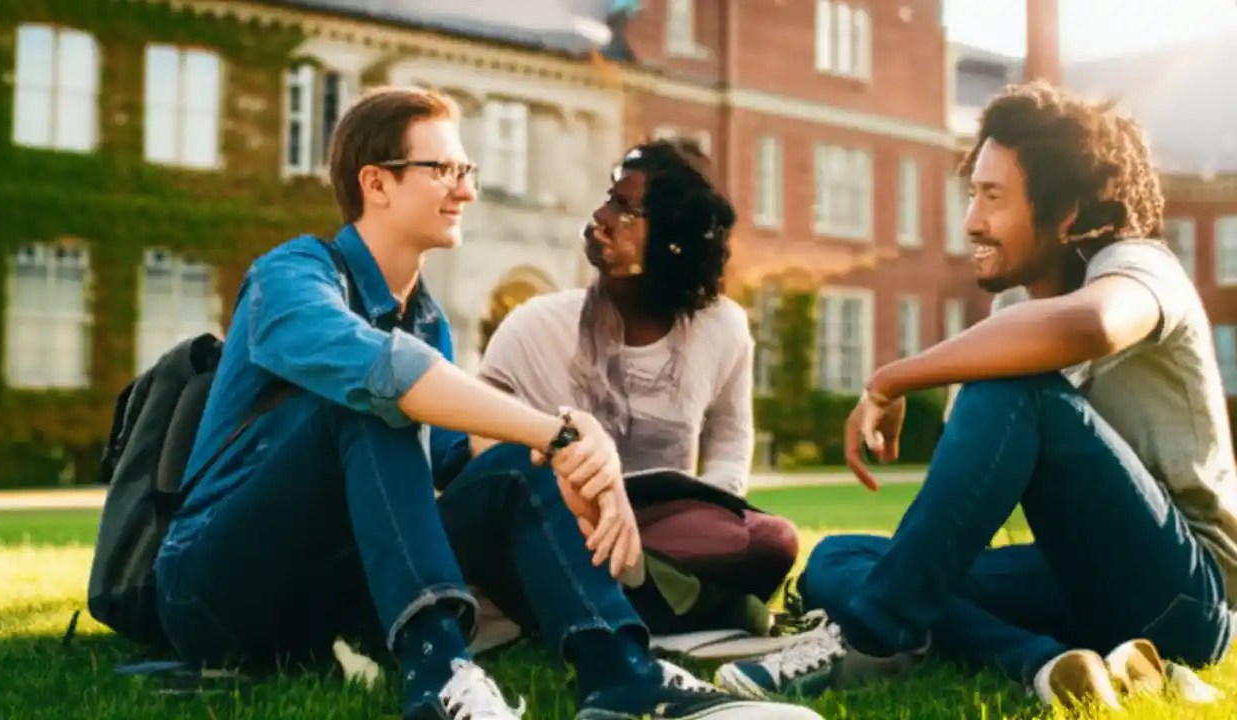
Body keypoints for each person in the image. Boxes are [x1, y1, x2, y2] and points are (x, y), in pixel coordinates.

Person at [153, 86, 820, 720]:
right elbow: (385, 377)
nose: (466, 189)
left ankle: (621, 671)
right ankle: (440, 674)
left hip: (333, 596)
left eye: (465, 168)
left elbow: (454, 458)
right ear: (376, 182)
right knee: (374, 400)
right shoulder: (291, 275)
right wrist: (561, 429)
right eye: (442, 168)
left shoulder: (426, 324)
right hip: (213, 589)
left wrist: (564, 461)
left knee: (517, 462)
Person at [715, 81, 1237, 710]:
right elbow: (966, 504)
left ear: (1066, 211)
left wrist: (897, 376)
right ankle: (1042, 663)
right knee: (840, 558)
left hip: (1185, 597)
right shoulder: (1012, 307)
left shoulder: (1139, 266)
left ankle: (871, 639)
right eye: (972, 194)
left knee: (1007, 386)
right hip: (1073, 579)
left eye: (993, 197)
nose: (972, 222)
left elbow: (1092, 325)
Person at [469, 138, 801, 636]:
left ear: (671, 239)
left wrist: (712, 504)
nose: (601, 215)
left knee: (773, 539)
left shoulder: (723, 329)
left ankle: (623, 601)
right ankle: (689, 607)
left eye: (626, 208)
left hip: (664, 531)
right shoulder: (533, 327)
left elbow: (731, 439)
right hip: (565, 532)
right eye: (609, 197)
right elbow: (483, 453)